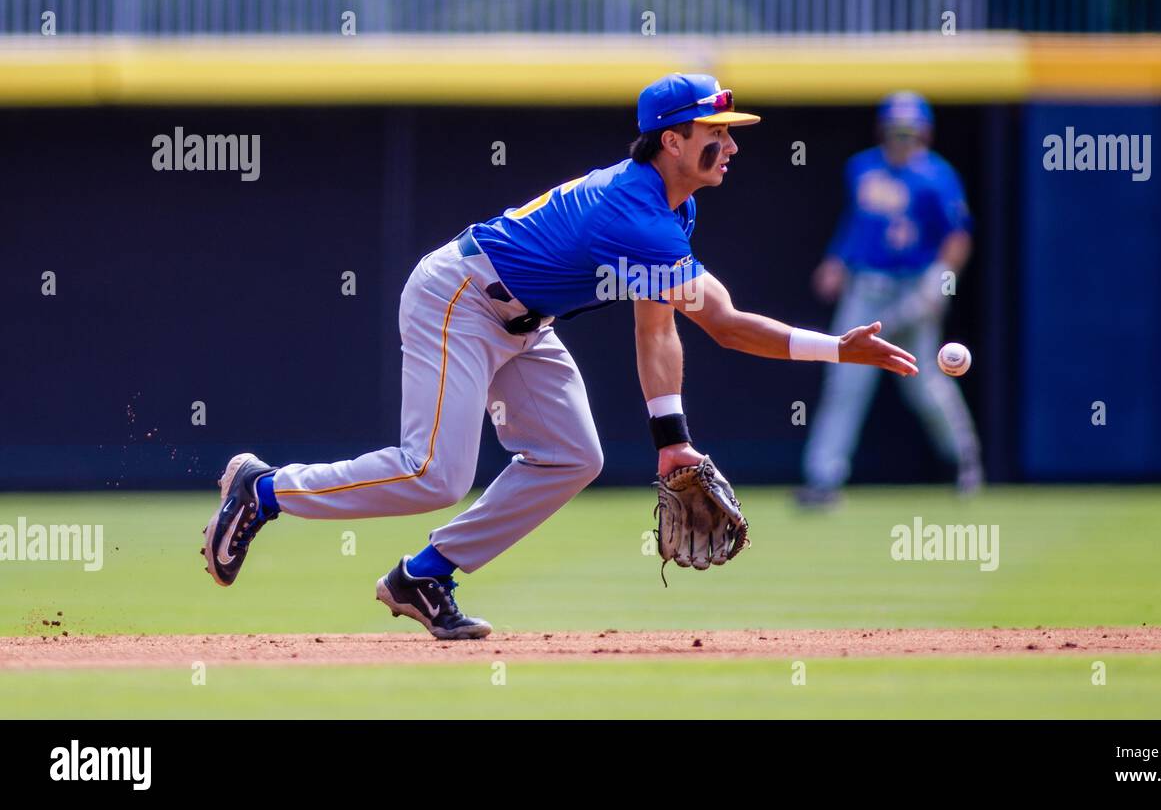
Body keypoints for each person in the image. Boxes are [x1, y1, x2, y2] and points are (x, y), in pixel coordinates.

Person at [201, 74, 919, 639]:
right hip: (460, 296)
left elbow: (689, 323)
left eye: (732, 134)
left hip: (524, 320)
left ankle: (424, 575)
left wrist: (827, 353)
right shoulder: (635, 210)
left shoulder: (671, 205)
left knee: (574, 453)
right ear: (670, 140)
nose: (731, 146)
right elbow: (693, 328)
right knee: (434, 472)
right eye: (716, 132)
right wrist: (681, 437)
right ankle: (263, 490)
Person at [799, 92, 983, 507]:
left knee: (926, 383)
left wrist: (940, 281)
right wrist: (837, 261)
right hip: (867, 288)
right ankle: (823, 479)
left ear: (923, 132)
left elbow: (957, 237)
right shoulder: (862, 168)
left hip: (912, 286)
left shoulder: (938, 176)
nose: (902, 139)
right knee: (845, 380)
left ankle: (963, 460)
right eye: (896, 131)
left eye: (909, 131)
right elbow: (858, 223)